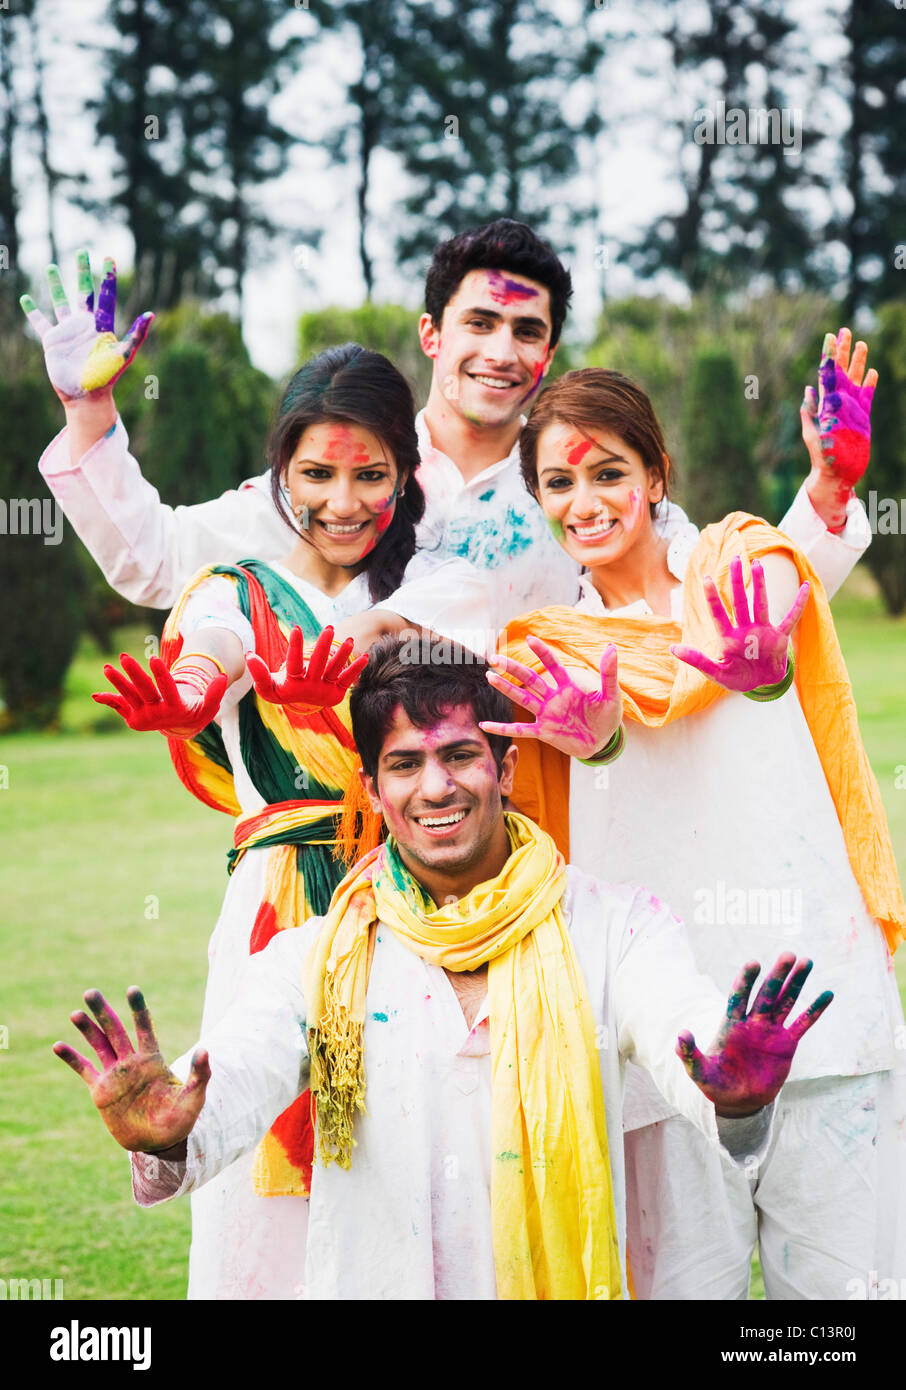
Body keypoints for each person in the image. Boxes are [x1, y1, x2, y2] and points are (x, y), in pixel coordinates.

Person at [53, 638, 833, 1301]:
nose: (436, 788)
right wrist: (163, 1139)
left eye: (461, 754)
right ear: (372, 788)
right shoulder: (318, 958)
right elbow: (233, 1080)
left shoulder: (612, 923)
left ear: (507, 764)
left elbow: (680, 1027)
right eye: (405, 764)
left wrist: (729, 1093)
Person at [484, 354, 906, 1299]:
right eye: (559, 482)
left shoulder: (742, 572)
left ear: (656, 474)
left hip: (823, 1008)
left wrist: (834, 485)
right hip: (667, 1044)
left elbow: (801, 573)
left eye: (608, 473)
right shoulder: (548, 654)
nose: (585, 502)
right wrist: (593, 746)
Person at [91, 343, 492, 1300]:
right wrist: (190, 690)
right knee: (262, 1130)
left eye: (370, 474)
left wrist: (344, 645)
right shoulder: (241, 589)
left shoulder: (438, 584)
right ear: (281, 473)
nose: (343, 500)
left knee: (424, 1144)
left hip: (423, 900)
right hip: (281, 905)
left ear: (407, 470)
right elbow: (215, 645)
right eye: (315, 473)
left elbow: (425, 635)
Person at [23, 236, 869, 631]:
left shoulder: (577, 492)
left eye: (528, 331)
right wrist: (87, 412)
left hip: (544, 843)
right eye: (480, 322)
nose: (502, 351)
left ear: (550, 350)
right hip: (364, 846)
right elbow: (157, 561)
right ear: (433, 335)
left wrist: (827, 494)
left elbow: (728, 601)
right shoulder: (347, 478)